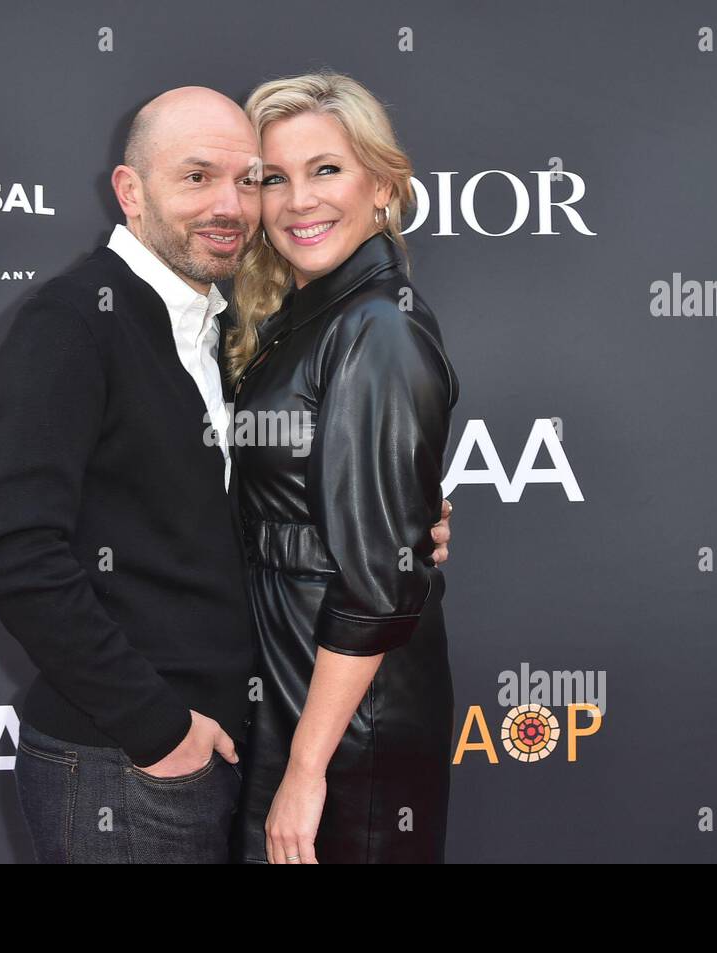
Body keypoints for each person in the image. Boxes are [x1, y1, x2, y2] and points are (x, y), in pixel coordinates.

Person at [0, 85, 453, 863]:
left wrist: (394, 520)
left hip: (223, 752)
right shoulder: (73, 322)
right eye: (197, 178)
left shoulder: (225, 329)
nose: (233, 205)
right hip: (124, 764)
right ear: (130, 192)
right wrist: (158, 731)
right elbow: (14, 556)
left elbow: (246, 506)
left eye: (245, 179)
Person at [225, 71, 460, 864]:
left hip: (345, 720)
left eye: (325, 169)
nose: (298, 202)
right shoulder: (300, 318)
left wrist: (306, 767)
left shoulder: (376, 328)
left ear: (384, 186)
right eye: (272, 179)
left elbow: (375, 583)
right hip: (292, 684)